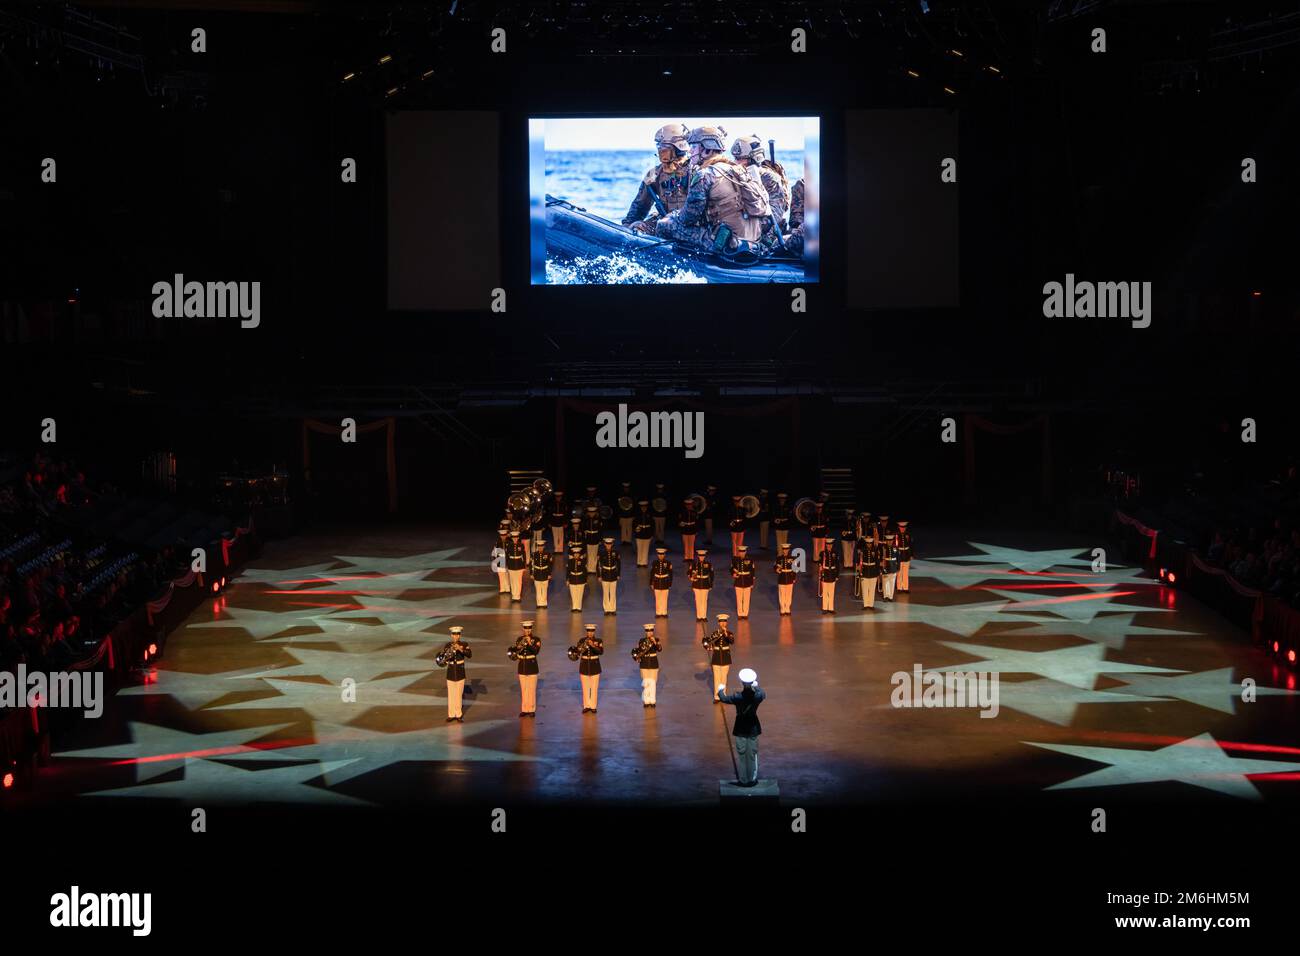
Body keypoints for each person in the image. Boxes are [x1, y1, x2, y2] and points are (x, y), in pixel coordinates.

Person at [654, 125, 772, 256]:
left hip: (728, 245)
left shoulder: (704, 175)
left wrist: (671, 216)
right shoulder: (738, 169)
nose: (690, 152)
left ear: (707, 150)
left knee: (663, 225)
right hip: (753, 243)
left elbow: (688, 218)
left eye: (693, 147)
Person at [623, 123, 693, 234]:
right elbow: (640, 205)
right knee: (637, 227)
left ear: (679, 149)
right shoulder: (653, 174)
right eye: (659, 149)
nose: (661, 154)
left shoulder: (696, 172)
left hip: (692, 226)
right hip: (665, 222)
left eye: (664, 150)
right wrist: (626, 227)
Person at [729, 134, 790, 248]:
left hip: (768, 234)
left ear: (753, 158)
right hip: (746, 228)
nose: (735, 163)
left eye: (739, 159)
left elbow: (774, 215)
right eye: (735, 158)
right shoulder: (739, 175)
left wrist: (746, 227)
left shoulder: (769, 179)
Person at [717, 668, 765, 787]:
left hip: (740, 728)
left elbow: (724, 699)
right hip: (753, 727)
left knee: (742, 756)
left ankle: (743, 780)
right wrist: (756, 686)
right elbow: (763, 693)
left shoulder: (738, 697)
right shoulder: (758, 696)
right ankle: (753, 779)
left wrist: (720, 690)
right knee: (753, 755)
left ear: (742, 683)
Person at [437, 626, 471, 722]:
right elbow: (443, 658)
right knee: (451, 694)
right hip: (451, 671)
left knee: (458, 694)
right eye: (454, 634)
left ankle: (458, 714)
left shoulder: (464, 644)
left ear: (460, 635)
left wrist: (460, 649)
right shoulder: (448, 645)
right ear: (451, 635)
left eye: (458, 634)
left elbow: (469, 655)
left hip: (460, 671)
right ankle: (451, 714)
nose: (456, 636)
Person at [510, 620, 541, 717]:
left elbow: (536, 652)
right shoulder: (519, 639)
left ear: (531, 629)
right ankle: (524, 709)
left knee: (531, 689)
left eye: (529, 628)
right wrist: (518, 648)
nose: (527, 630)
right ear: (523, 629)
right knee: (524, 689)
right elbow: (515, 652)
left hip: (532, 666)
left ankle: (531, 709)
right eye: (525, 628)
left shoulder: (536, 639)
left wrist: (529, 643)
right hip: (522, 666)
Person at [571, 623, 604, 713]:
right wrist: (583, 646)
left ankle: (593, 706)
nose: (590, 633)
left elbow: (601, 652)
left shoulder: (598, 640)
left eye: (592, 631)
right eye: (589, 631)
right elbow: (578, 651)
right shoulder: (582, 640)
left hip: (595, 666)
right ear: (587, 631)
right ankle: (586, 705)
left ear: (594, 631)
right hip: (584, 665)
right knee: (585, 687)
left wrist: (592, 645)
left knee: (594, 687)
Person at [703, 613, 734, 700]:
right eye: (721, 622)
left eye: (724, 622)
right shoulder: (715, 633)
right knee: (717, 677)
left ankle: (723, 695)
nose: (723, 623)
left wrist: (725, 633)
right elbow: (709, 643)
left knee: (724, 677)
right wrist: (706, 644)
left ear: (726, 623)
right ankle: (716, 696)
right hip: (716, 657)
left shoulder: (729, 633)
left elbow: (731, 641)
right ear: (718, 623)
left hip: (726, 658)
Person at [632, 622, 662, 708]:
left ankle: (652, 701)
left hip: (653, 662)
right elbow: (637, 651)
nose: (649, 633)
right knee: (646, 682)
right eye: (648, 631)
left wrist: (654, 642)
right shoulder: (641, 641)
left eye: (651, 631)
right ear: (645, 632)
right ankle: (646, 700)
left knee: (652, 682)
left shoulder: (656, 640)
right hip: (644, 663)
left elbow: (659, 649)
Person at [855, 532, 880, 609]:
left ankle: (871, 605)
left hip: (873, 571)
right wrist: (859, 569)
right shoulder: (862, 552)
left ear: (872, 543)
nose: (869, 545)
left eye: (870, 543)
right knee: (865, 589)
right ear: (866, 543)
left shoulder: (875, 551)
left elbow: (877, 562)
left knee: (872, 589)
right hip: (865, 571)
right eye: (867, 543)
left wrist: (877, 573)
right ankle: (866, 605)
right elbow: (858, 562)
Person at [597, 536, 621, 614]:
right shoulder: (601, 553)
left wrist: (618, 574)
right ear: (604, 544)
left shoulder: (616, 552)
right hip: (605, 573)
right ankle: (607, 609)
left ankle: (613, 609)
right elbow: (598, 564)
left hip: (613, 573)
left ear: (612, 544)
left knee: (613, 593)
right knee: (606, 593)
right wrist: (599, 576)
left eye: (610, 544)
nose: (608, 545)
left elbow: (618, 564)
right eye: (607, 544)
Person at [732, 543, 756, 619]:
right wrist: (733, 574)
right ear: (739, 552)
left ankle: (745, 614)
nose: (742, 553)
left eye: (743, 552)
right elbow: (731, 568)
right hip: (738, 581)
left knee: (746, 599)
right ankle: (740, 614)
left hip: (747, 581)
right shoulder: (735, 560)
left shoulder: (750, 560)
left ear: (745, 552)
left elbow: (752, 571)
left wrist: (752, 582)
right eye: (740, 552)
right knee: (739, 599)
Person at [689, 548, 714, 621]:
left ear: (705, 556)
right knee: (698, 600)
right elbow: (689, 572)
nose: (701, 557)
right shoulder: (694, 564)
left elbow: (711, 575)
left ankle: (704, 616)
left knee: (704, 600)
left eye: (703, 556)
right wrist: (691, 578)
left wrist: (711, 584)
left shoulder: (708, 564)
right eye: (700, 556)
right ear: (698, 556)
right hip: (696, 584)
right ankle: (699, 616)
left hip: (705, 584)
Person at [505, 528, 527, 602]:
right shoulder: (509, 545)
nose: (515, 539)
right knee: (512, 581)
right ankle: (514, 596)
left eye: (516, 537)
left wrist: (524, 565)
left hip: (519, 565)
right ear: (512, 538)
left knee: (519, 581)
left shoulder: (521, 545)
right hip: (511, 564)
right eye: (513, 538)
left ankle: (517, 596)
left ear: (518, 538)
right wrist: (507, 565)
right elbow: (507, 556)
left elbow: (524, 555)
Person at [775, 541, 797, 615]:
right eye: (784, 549)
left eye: (787, 549)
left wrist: (794, 578)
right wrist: (777, 570)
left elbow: (795, 569)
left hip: (790, 577)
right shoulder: (779, 558)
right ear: (782, 550)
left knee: (789, 594)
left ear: (788, 550)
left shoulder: (792, 558)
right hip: (781, 577)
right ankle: (782, 608)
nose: (785, 551)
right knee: (782, 594)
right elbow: (775, 567)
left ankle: (787, 608)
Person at [650, 547, 673, 617]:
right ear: (657, 555)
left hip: (665, 581)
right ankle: (658, 613)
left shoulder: (668, 563)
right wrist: (651, 583)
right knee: (658, 598)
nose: (661, 556)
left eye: (662, 554)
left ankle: (664, 613)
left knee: (664, 598)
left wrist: (670, 583)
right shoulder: (654, 563)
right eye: (659, 554)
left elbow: (671, 574)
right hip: (657, 581)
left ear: (664, 555)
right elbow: (652, 573)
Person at [818, 539, 839, 613]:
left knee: (831, 592)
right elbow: (820, 564)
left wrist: (837, 575)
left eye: (830, 545)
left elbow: (837, 565)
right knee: (825, 591)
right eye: (828, 545)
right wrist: (820, 573)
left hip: (832, 573)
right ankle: (824, 608)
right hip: (825, 573)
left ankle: (830, 608)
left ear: (832, 545)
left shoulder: (835, 553)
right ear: (826, 545)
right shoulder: (822, 553)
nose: (829, 546)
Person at [530, 542, 552, 609]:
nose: (540, 548)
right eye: (539, 546)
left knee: (544, 589)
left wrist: (549, 574)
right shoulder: (534, 554)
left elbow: (550, 565)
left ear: (544, 547)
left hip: (545, 573)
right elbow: (532, 565)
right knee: (538, 590)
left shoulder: (547, 554)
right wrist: (531, 573)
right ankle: (539, 604)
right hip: (537, 573)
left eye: (541, 546)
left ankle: (544, 603)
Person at [633, 500, 655, 567]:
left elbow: (653, 525)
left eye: (645, 507)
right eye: (642, 507)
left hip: (647, 533)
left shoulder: (650, 515)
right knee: (639, 549)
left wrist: (652, 534)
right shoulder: (637, 515)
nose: (643, 508)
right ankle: (639, 562)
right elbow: (634, 523)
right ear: (640, 507)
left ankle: (644, 563)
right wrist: (636, 530)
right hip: (639, 534)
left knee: (646, 549)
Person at [566, 543, 587, 611]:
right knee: (573, 593)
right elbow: (568, 571)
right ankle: (574, 607)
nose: (576, 555)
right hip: (572, 578)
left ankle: (579, 607)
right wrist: (567, 579)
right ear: (573, 554)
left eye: (577, 554)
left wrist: (585, 580)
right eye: (575, 554)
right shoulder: (570, 561)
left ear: (579, 554)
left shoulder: (583, 561)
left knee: (580, 593)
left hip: (580, 578)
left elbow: (585, 571)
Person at [880, 531, 900, 601]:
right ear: (886, 541)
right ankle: (886, 596)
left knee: (892, 582)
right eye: (888, 541)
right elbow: (881, 558)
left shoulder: (895, 548)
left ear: (892, 541)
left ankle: (891, 597)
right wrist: (881, 568)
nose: (889, 542)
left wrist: (898, 568)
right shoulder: (883, 548)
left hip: (893, 567)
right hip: (886, 566)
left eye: (891, 541)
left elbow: (898, 559)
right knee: (885, 582)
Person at [493, 523, 511, 595]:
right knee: (501, 575)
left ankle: (508, 588)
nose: (503, 537)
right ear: (500, 535)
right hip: (500, 560)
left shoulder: (509, 542)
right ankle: (502, 588)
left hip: (507, 560)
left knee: (507, 575)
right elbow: (495, 552)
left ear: (506, 535)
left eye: (504, 535)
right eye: (502, 535)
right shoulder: (498, 542)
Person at [896, 520, 914, 593]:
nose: (902, 529)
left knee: (905, 573)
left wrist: (912, 554)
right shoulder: (896, 535)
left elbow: (911, 545)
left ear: (905, 528)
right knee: (899, 573)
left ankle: (906, 588)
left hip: (906, 554)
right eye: (901, 527)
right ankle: (899, 588)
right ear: (899, 527)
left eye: (904, 527)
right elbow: (895, 546)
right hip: (899, 555)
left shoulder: (908, 535)